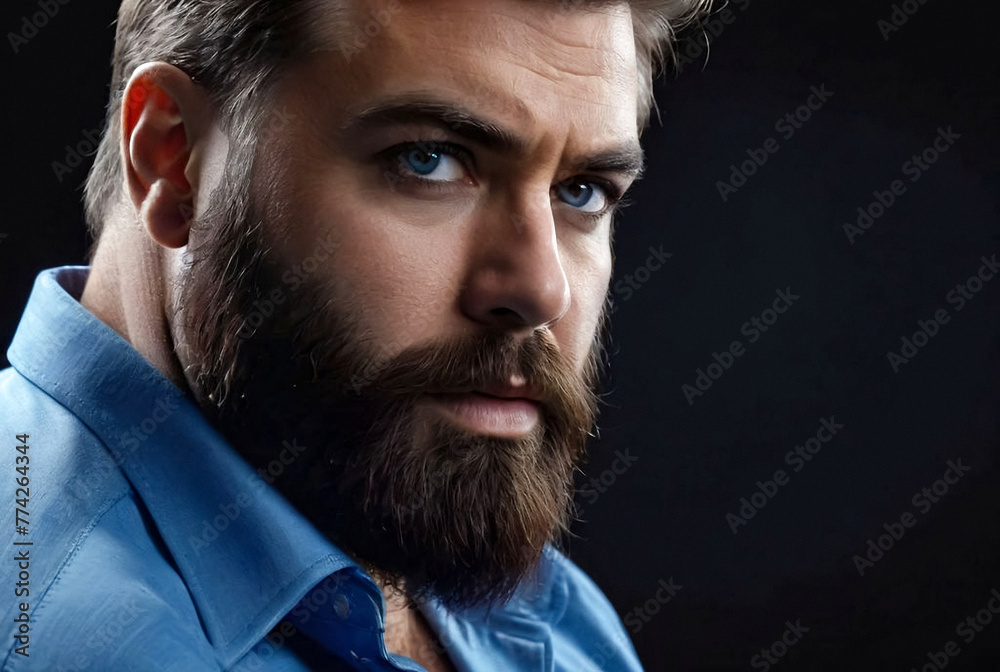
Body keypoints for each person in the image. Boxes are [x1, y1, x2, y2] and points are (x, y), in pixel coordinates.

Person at [0, 0, 707, 669]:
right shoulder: (63, 634)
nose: (539, 290)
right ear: (172, 158)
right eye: (428, 159)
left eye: (580, 191)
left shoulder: (531, 605)